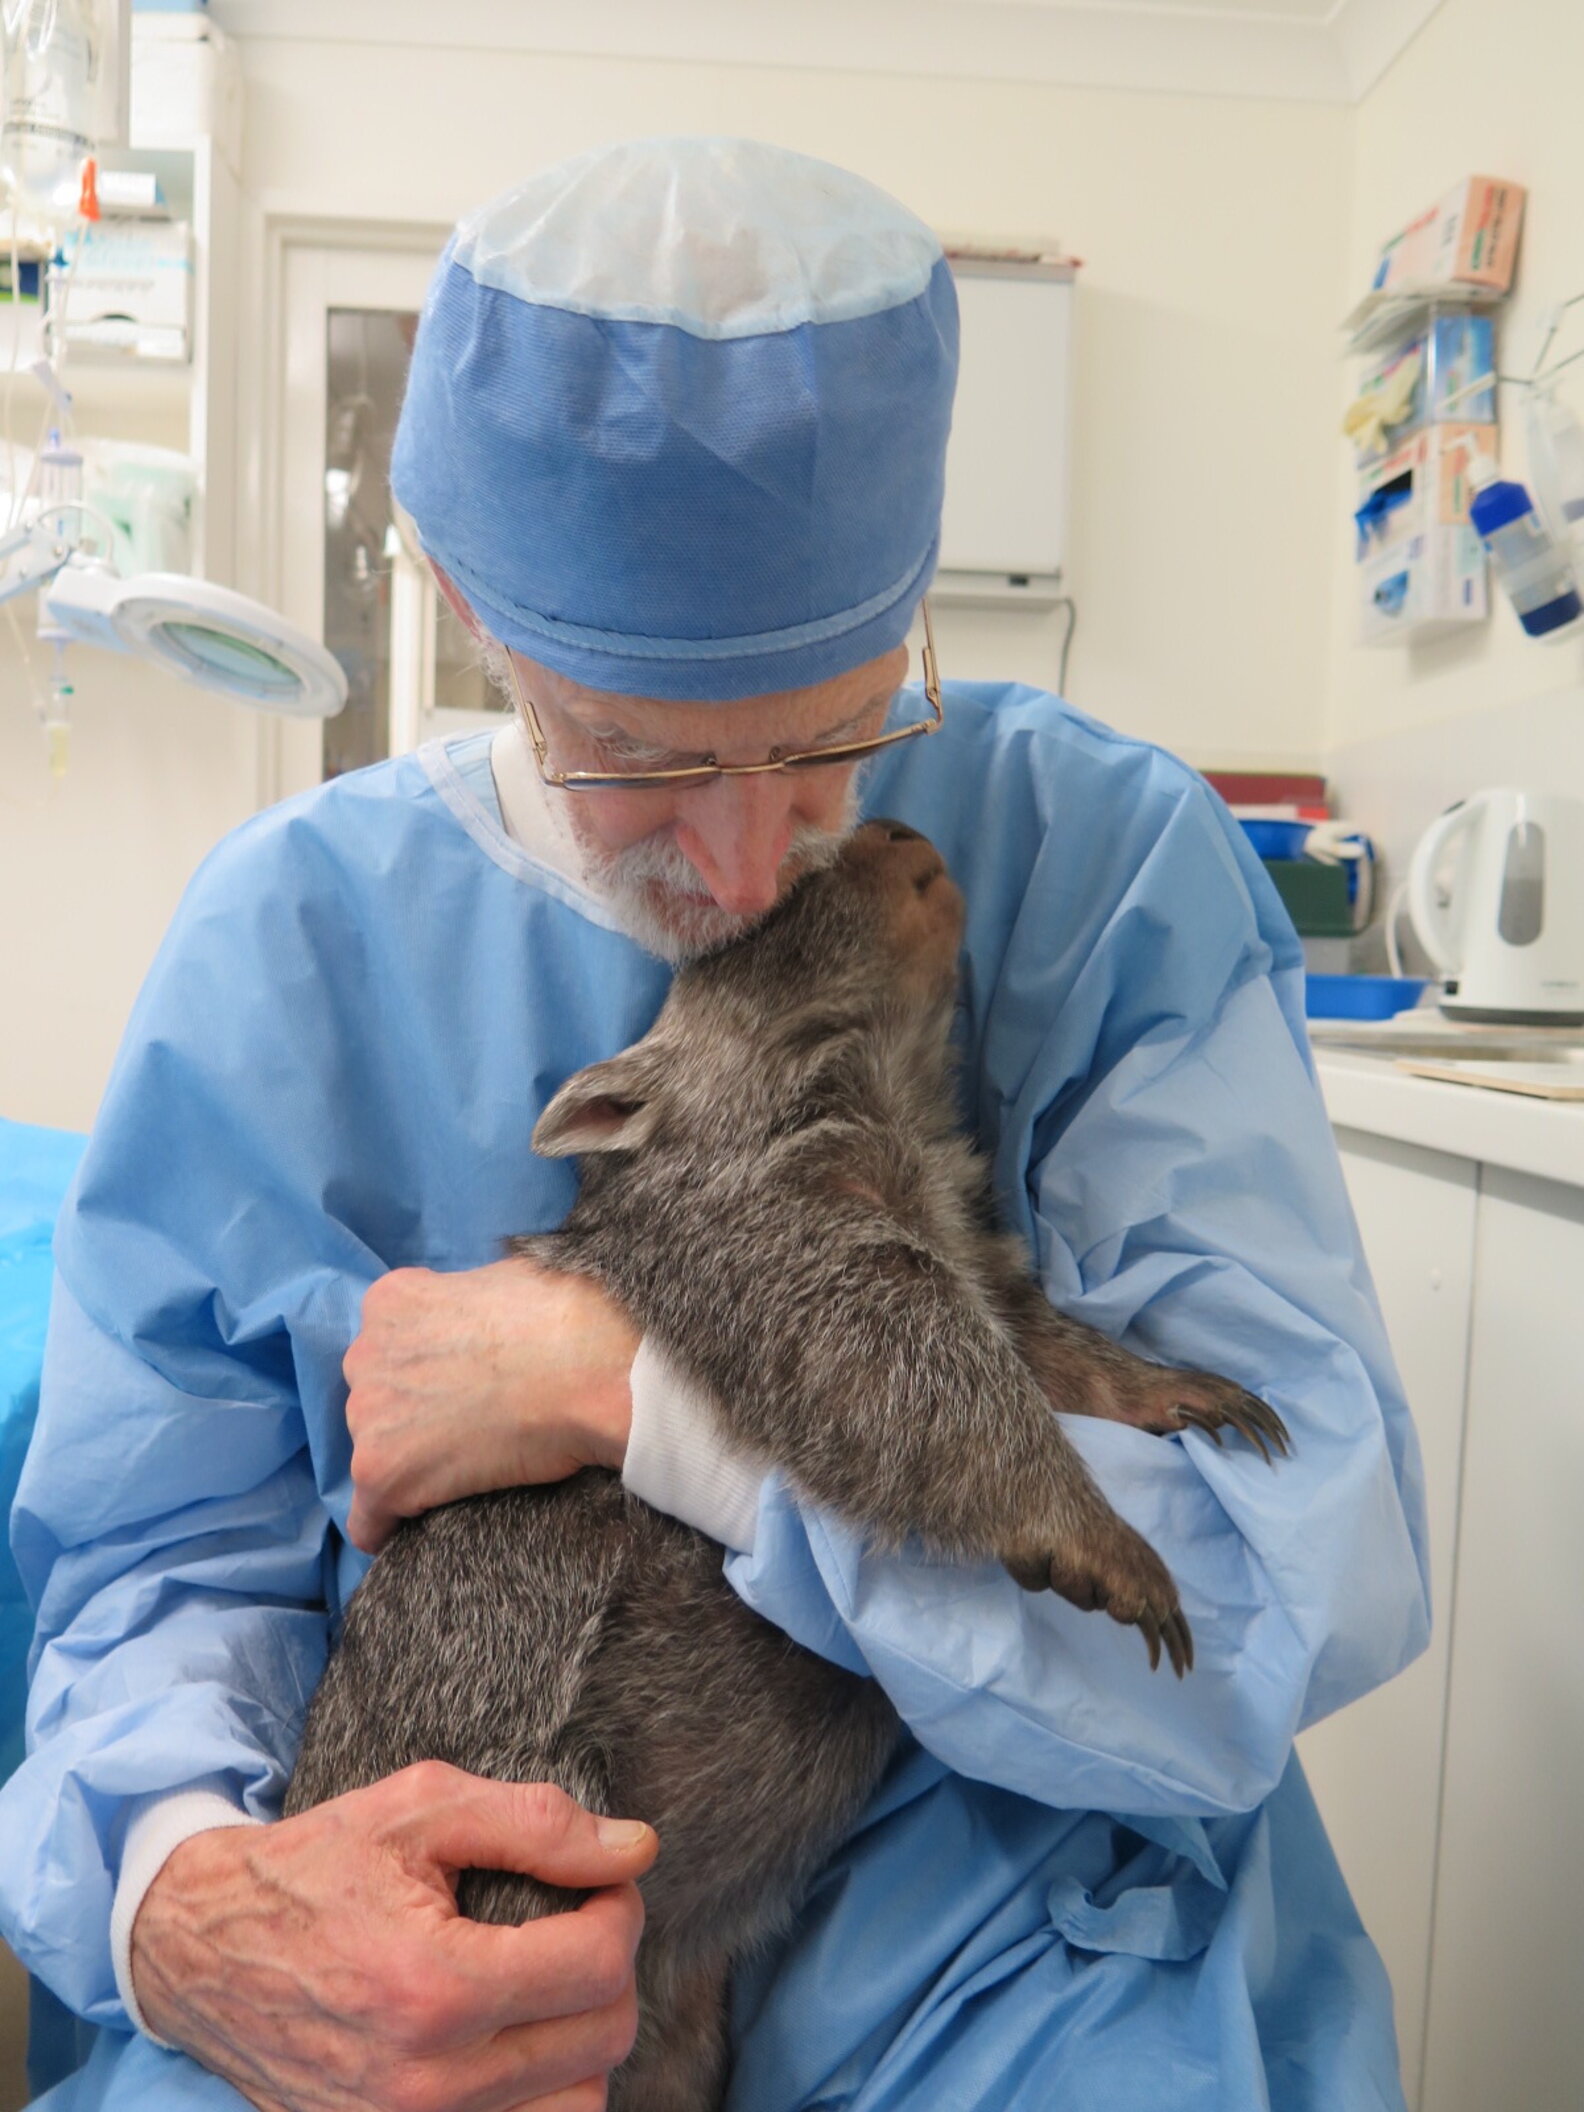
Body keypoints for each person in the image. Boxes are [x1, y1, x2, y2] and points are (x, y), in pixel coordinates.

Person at [0, 138, 1428, 2111]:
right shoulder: (300, 939)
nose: (756, 862)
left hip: (1006, 1899)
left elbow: (1280, 1566)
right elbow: (159, 1569)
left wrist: (649, 1396)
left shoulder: (1095, 865)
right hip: (461, 1846)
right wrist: (190, 1896)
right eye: (640, 759)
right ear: (460, 608)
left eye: (837, 731)